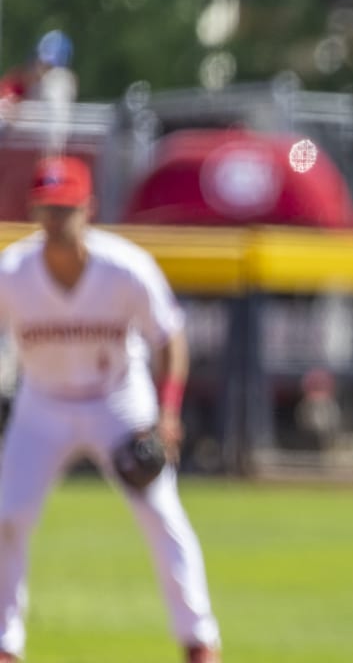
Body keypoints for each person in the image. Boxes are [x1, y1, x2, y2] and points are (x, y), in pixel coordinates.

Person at [0, 156, 222, 663]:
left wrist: (166, 414)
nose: (55, 220)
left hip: (117, 401)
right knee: (7, 518)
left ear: (87, 209)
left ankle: (199, 640)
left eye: (65, 209)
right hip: (43, 402)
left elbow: (170, 337)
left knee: (162, 515)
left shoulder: (125, 267)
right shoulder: (12, 272)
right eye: (47, 209)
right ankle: (5, 645)